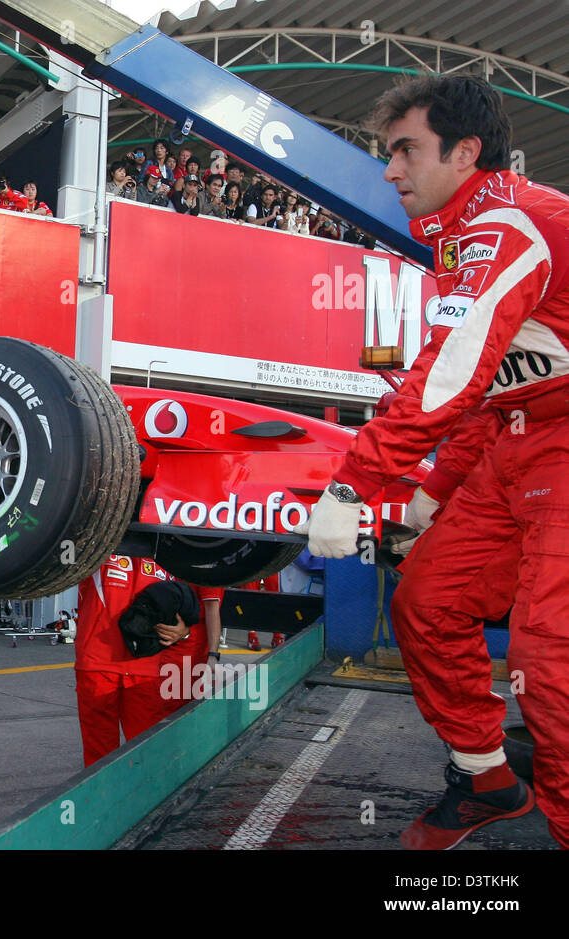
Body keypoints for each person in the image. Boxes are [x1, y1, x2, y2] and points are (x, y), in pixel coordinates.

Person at [300, 74, 569, 850]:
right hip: (514, 444)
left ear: (466, 151)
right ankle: (488, 778)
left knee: (547, 658)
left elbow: (448, 374)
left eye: (405, 150)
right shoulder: (463, 236)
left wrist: (353, 487)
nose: (390, 170)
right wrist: (431, 495)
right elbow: (486, 391)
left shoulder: (512, 225)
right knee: (425, 604)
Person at [75, 555, 223, 766]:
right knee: (99, 757)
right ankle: (104, 798)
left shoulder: (167, 556)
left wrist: (184, 632)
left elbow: (182, 611)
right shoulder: (99, 547)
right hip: (98, 664)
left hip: (146, 669)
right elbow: (65, 555)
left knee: (146, 755)